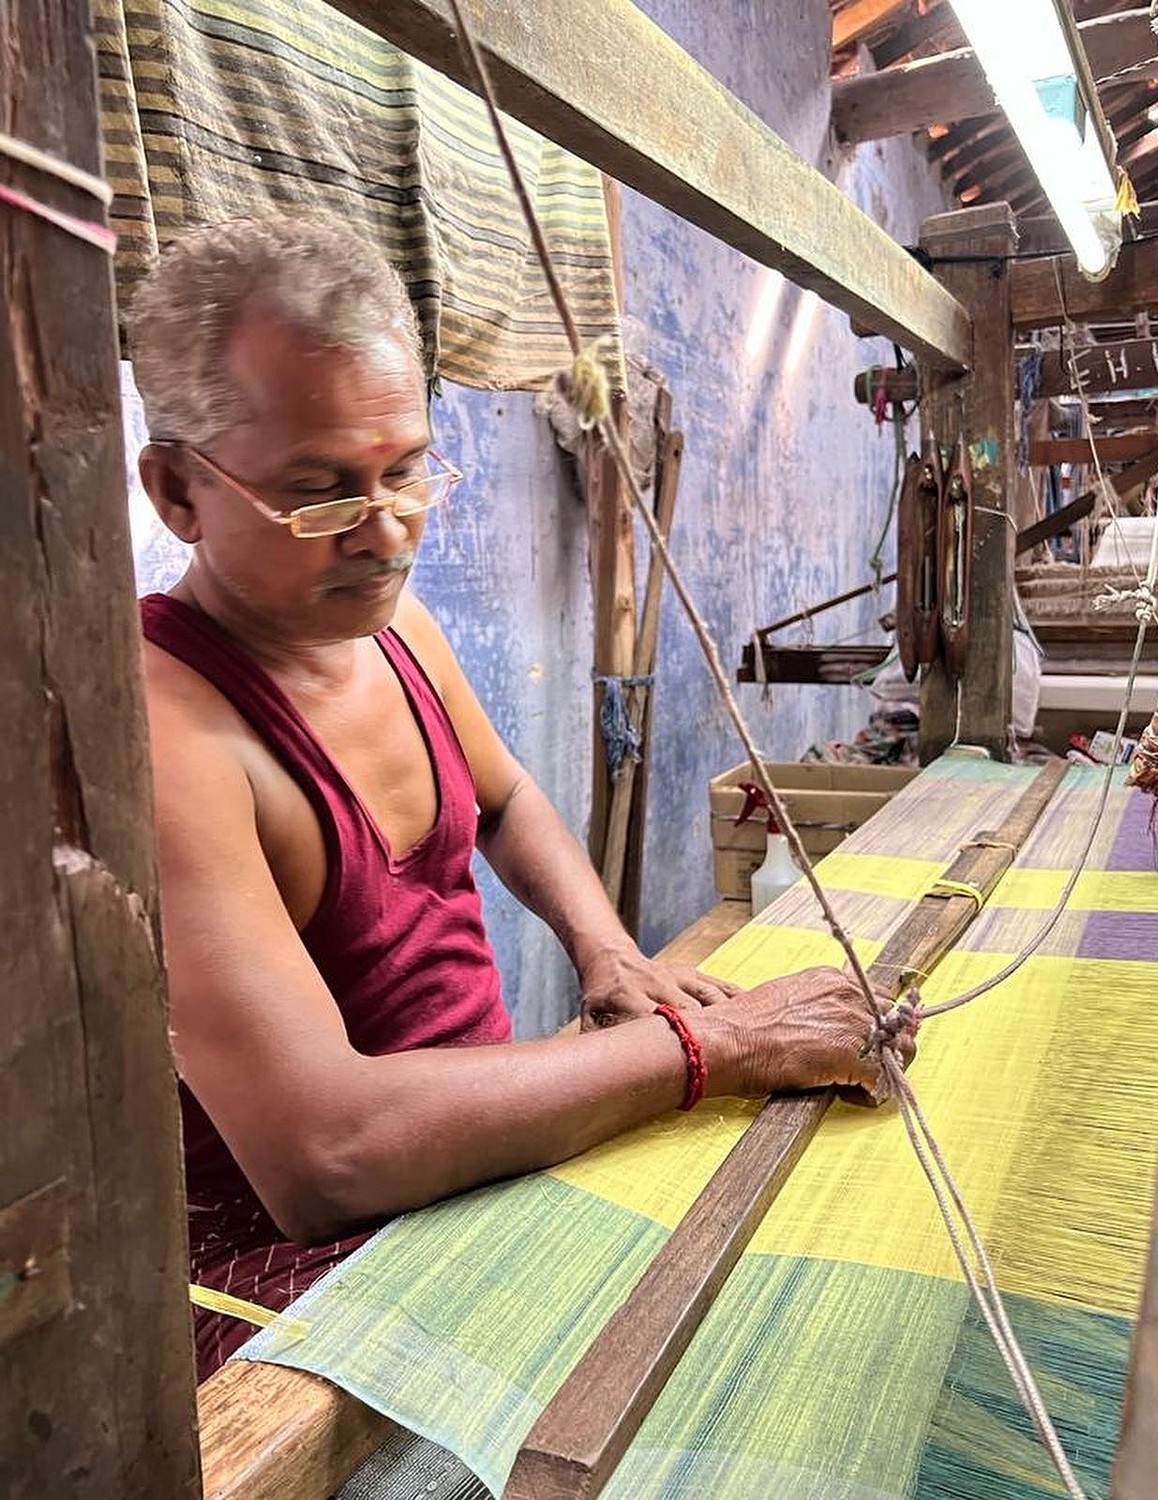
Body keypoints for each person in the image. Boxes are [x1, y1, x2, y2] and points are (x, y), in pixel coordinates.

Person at [129, 215, 912, 1382]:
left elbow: (500, 803)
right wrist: (726, 1044)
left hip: (467, 1171)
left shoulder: (398, 633)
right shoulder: (160, 735)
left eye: (406, 469)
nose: (389, 530)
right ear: (178, 492)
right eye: (320, 492)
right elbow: (325, 1153)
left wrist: (603, 950)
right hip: (288, 1296)